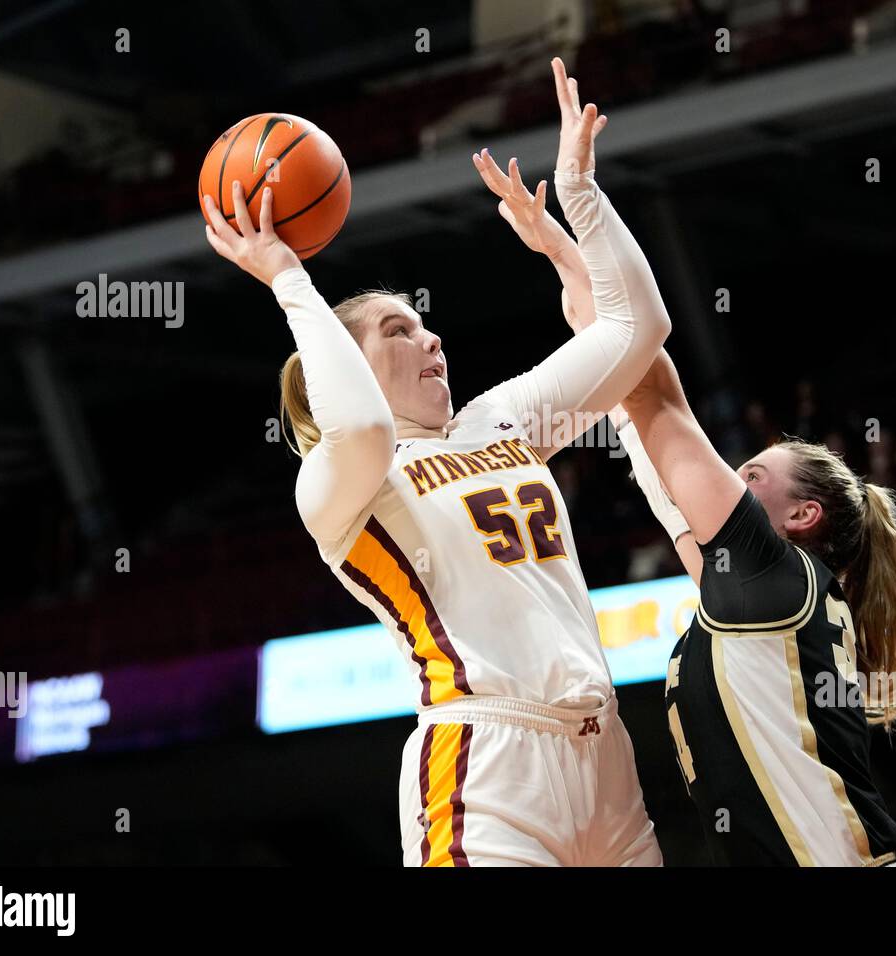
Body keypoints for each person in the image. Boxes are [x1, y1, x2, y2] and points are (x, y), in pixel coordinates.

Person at [202, 58, 671, 866]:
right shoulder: (339, 482)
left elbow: (638, 329)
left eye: (423, 325)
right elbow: (357, 429)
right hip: (486, 764)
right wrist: (287, 276)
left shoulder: (496, 422)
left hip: (607, 759)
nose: (430, 338)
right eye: (396, 332)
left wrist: (582, 198)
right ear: (336, 366)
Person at [543, 314, 896, 863]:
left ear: (802, 514)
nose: (731, 484)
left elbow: (657, 399)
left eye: (752, 478)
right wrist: (596, 315)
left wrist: (583, 247)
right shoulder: (756, 596)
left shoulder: (775, 575)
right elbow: (661, 477)